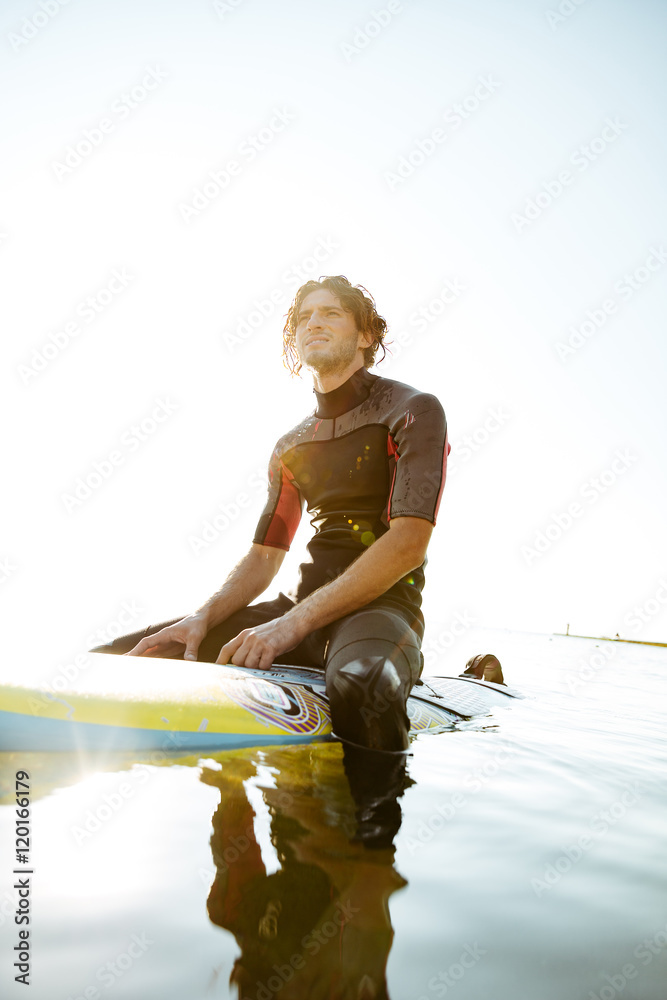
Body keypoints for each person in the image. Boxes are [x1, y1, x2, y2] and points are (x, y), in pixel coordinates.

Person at [93, 275, 501, 751]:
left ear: (366, 335)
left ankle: (367, 817)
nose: (314, 323)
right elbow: (264, 558)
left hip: (382, 608)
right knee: (120, 657)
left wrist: (293, 626)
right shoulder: (291, 445)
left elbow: (409, 542)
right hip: (294, 608)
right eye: (305, 316)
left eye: (331, 313)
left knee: (364, 689)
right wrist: (201, 619)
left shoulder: (413, 411)